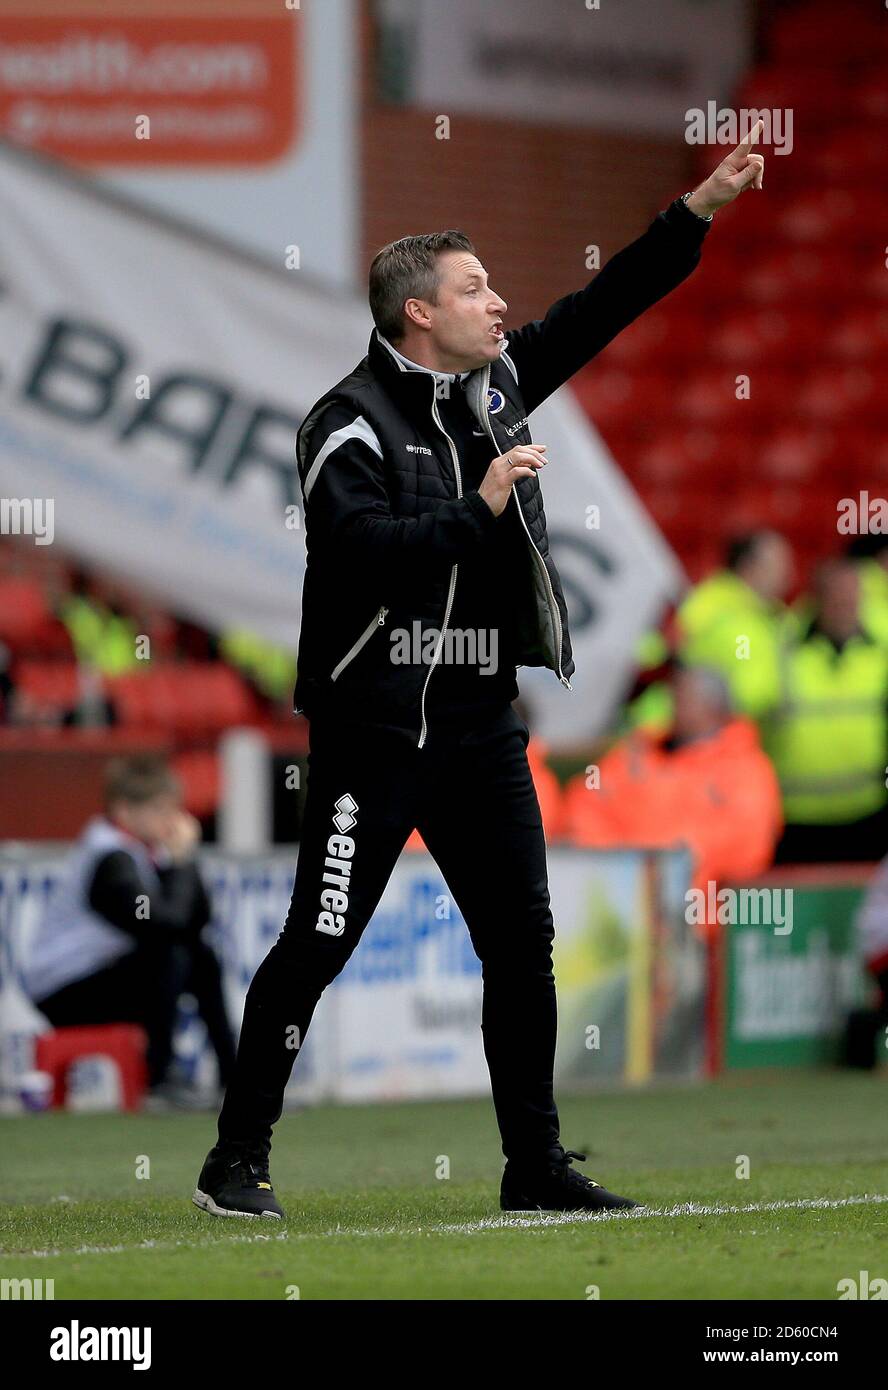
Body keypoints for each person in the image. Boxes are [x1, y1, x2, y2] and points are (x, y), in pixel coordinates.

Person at [193, 124, 766, 1221]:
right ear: (420, 312)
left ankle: (533, 1166)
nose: (498, 304)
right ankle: (236, 1158)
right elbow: (362, 557)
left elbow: (600, 312)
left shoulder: (498, 389)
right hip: (374, 733)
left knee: (522, 945)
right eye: (475, 289)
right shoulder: (344, 425)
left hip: (481, 724)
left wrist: (695, 212)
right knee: (318, 940)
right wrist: (480, 509)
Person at [26, 756, 236, 1103]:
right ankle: (160, 1078)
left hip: (99, 976)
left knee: (200, 954)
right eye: (160, 810)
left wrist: (181, 862)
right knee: (171, 955)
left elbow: (196, 920)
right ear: (124, 811)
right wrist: (182, 862)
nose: (173, 822)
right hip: (63, 991)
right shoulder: (109, 857)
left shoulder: (143, 852)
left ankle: (236, 1080)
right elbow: (164, 926)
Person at [563, 668, 782, 907]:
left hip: (703, 915)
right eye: (675, 697)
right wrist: (623, 866)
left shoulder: (745, 769)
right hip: (624, 905)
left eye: (686, 699)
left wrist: (665, 865)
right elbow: (585, 807)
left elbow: (746, 847)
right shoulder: (636, 755)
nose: (675, 707)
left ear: (715, 708)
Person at [766, 559, 888, 863]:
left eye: (853, 600)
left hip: (868, 814)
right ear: (817, 600)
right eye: (838, 600)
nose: (846, 608)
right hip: (797, 819)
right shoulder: (779, 645)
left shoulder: (882, 646)